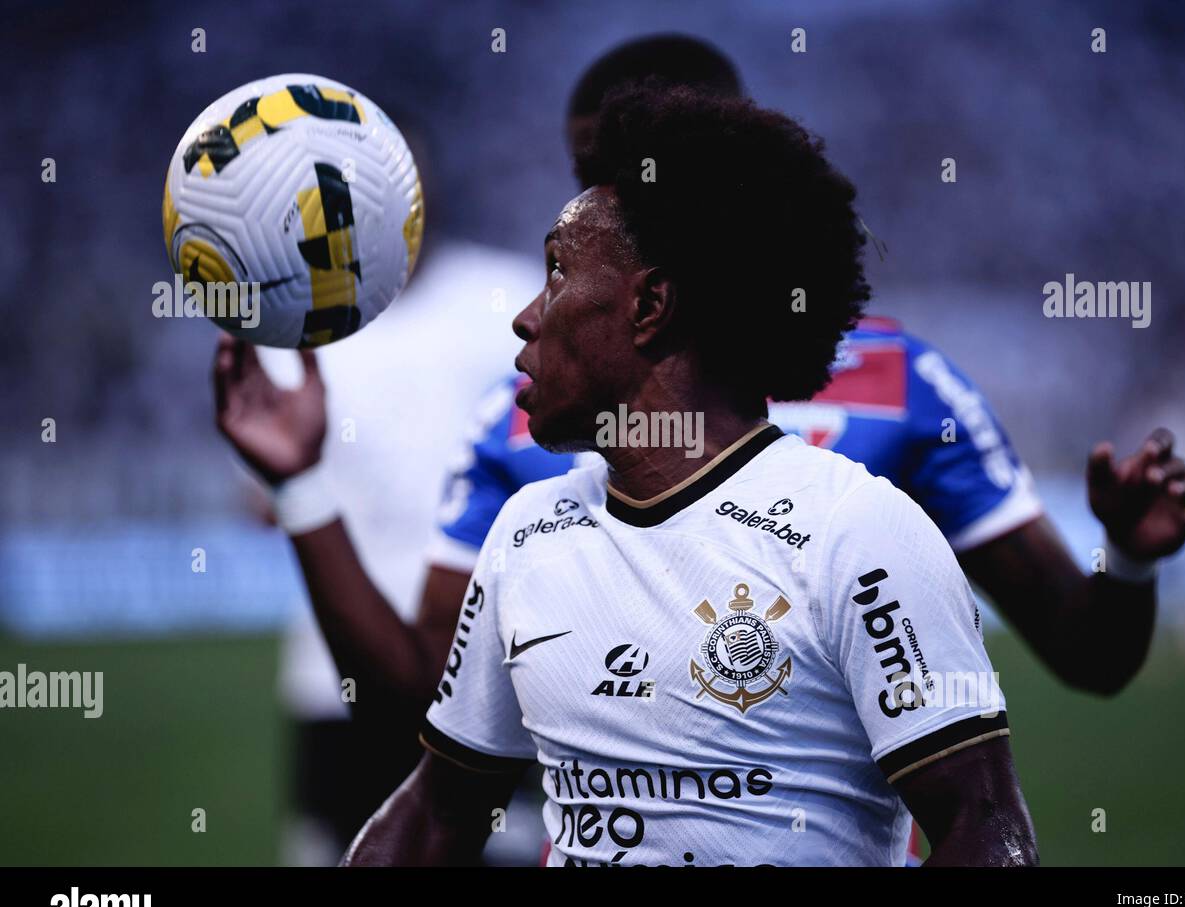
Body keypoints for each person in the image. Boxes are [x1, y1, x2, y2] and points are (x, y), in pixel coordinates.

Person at [329, 84, 1039, 866]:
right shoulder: (528, 530)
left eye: (557, 272)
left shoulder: (857, 532)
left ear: (649, 306)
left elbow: (989, 835)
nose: (526, 315)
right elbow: (438, 811)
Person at [246, 114, 541, 863]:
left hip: (496, 666)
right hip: (336, 668)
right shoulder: (291, 319)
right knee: (346, 849)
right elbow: (262, 495)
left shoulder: (511, 301)